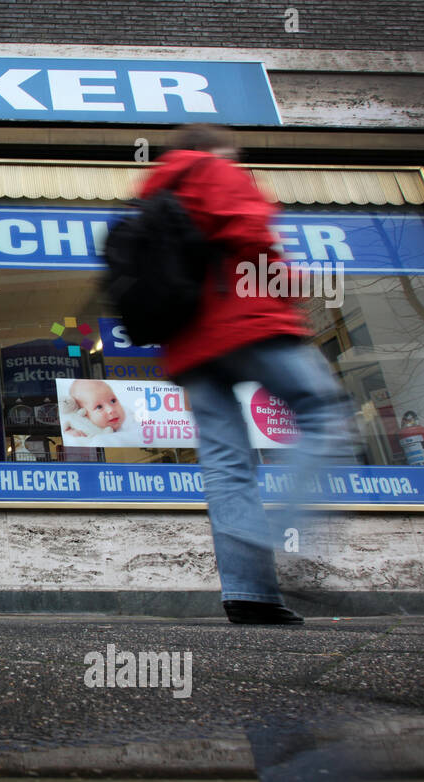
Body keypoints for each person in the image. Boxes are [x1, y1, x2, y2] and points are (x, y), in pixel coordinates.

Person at [140, 123, 357, 625]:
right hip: (248, 323)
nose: (237, 159)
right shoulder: (213, 170)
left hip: (190, 347)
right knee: (324, 411)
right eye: (234, 152)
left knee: (225, 464)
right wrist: (293, 282)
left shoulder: (154, 193)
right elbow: (251, 234)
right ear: (215, 148)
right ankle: (288, 532)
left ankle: (249, 592)